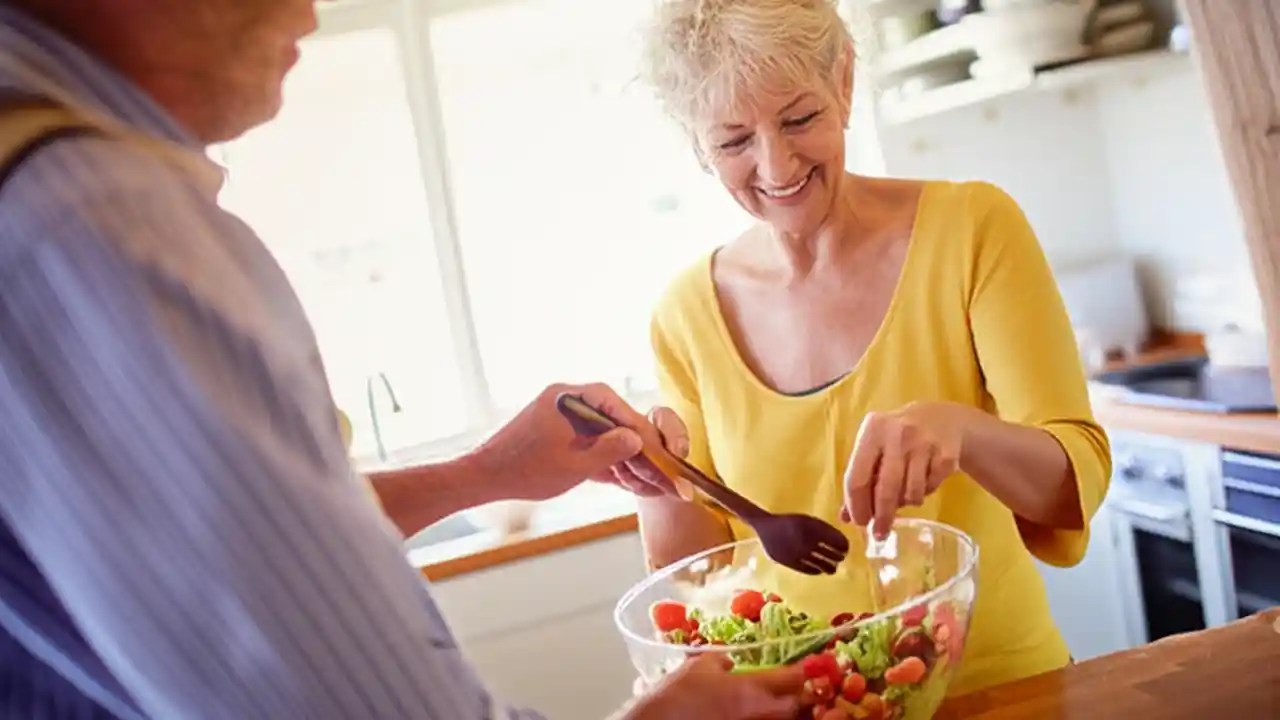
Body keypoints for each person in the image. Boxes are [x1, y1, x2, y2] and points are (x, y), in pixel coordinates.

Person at [0, 1, 805, 718]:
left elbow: (215, 545)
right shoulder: (103, 225)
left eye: (798, 119)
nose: (309, 16)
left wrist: (484, 474)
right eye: (734, 137)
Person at [629, 0, 1113, 697]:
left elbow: (1077, 485)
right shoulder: (684, 315)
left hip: (1002, 693)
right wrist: (656, 477)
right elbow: (698, 581)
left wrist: (962, 431)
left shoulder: (972, 229)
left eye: (799, 119)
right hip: (805, 705)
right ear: (696, 144)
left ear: (845, 81)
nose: (777, 164)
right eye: (734, 141)